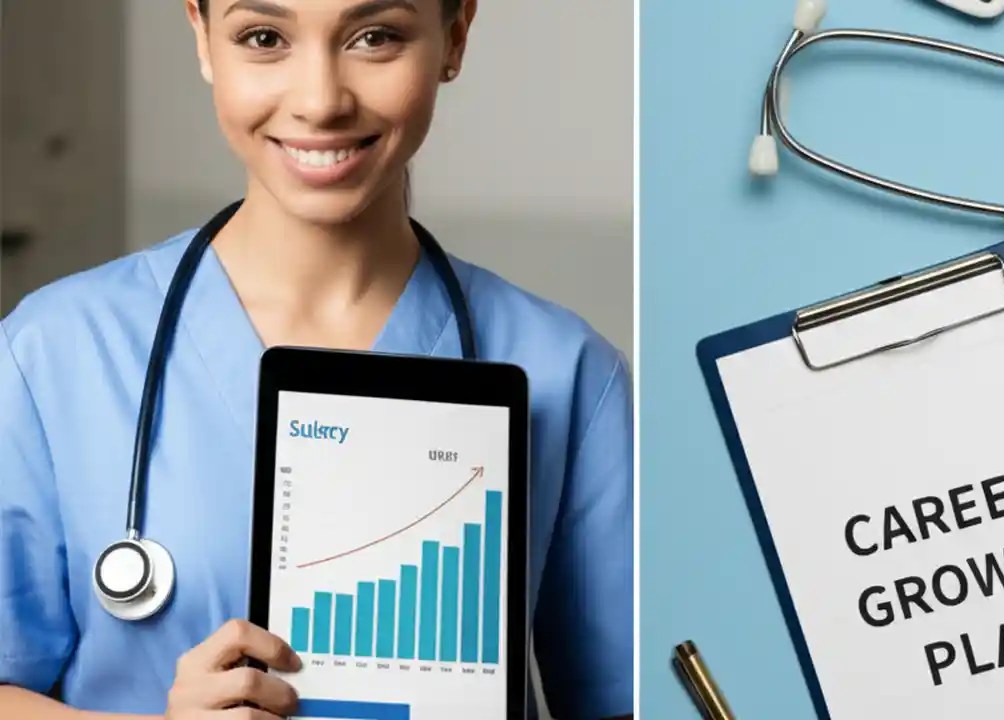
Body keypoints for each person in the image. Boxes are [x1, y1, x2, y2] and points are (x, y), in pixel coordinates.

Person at [0, 1, 633, 718]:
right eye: (264, 38)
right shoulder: (55, 354)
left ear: (454, 39)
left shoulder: (569, 372)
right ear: (203, 39)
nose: (320, 100)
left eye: (376, 37)